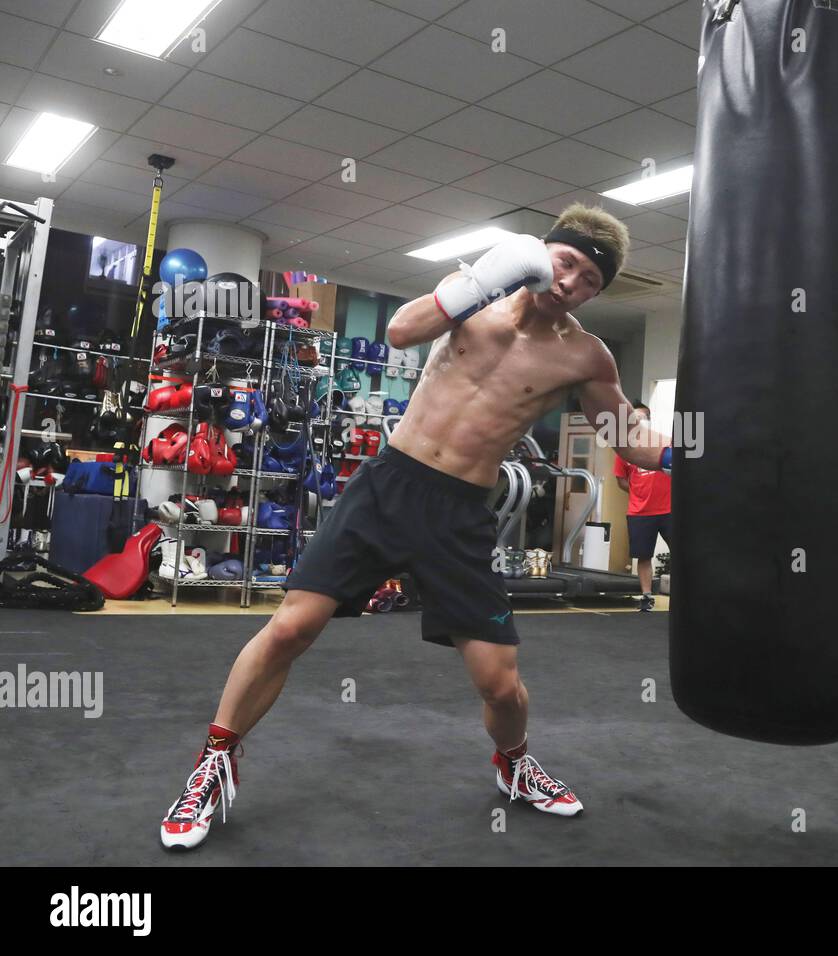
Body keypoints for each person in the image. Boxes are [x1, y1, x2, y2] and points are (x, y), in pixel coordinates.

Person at [160, 205, 671, 850]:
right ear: (542, 253)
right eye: (566, 263)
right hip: (387, 485)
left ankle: (514, 761)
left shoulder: (586, 357)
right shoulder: (475, 300)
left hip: (461, 514)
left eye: (590, 281)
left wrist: (702, 447)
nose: (571, 284)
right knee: (290, 626)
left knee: (499, 682)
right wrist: (481, 282)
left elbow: (625, 434)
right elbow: (401, 332)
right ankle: (214, 761)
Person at [613, 402, 672, 611]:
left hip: (669, 510)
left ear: (649, 420)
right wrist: (639, 493)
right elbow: (621, 480)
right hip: (639, 512)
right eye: (634, 419)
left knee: (683, 552)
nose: (637, 422)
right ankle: (646, 596)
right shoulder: (625, 450)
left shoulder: (666, 443)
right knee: (643, 556)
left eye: (641, 418)